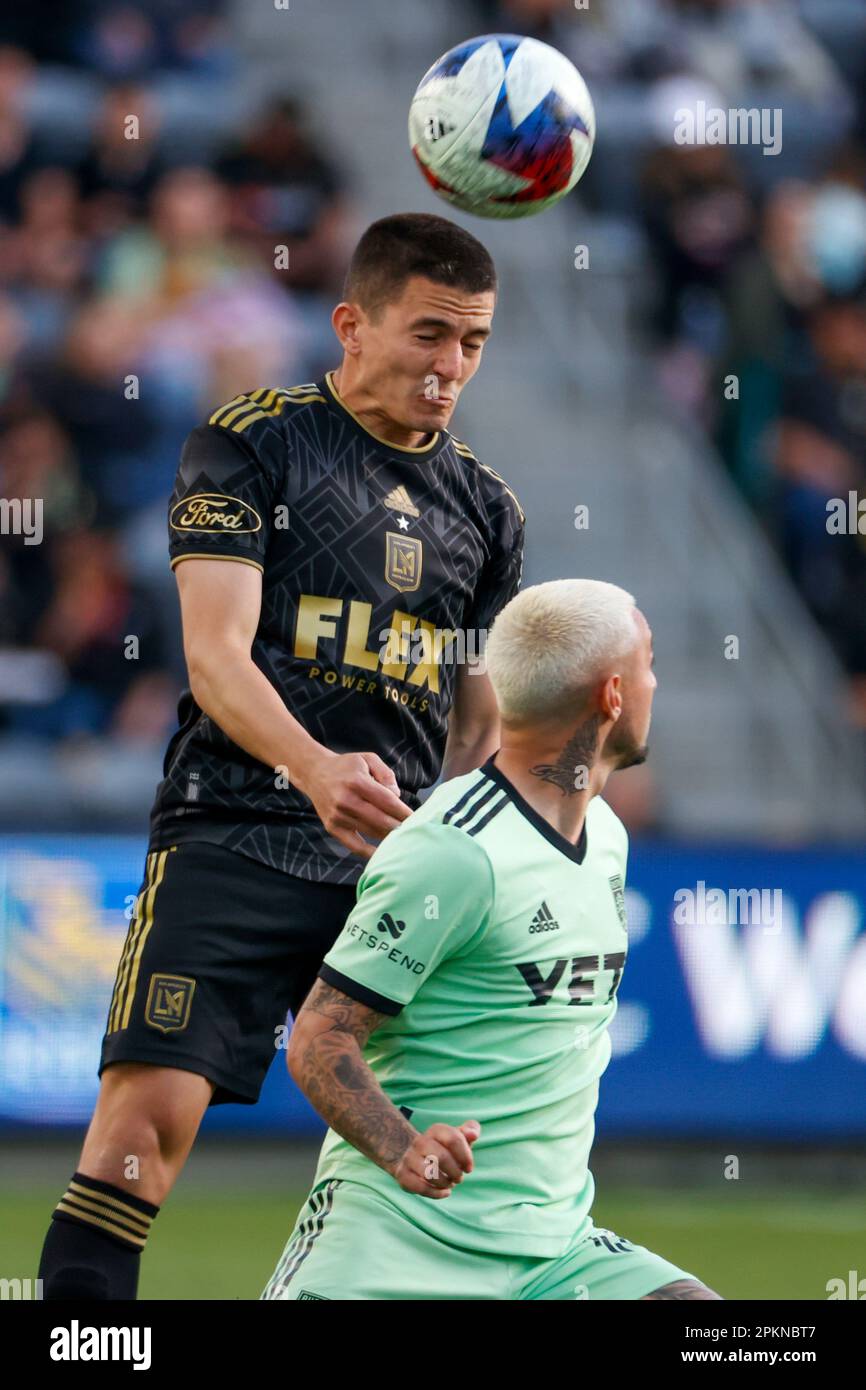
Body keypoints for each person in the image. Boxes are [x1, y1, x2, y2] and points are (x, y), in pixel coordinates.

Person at [37, 211, 525, 1300]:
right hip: (237, 835)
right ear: (351, 324)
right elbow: (213, 657)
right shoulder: (250, 441)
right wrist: (312, 766)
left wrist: (444, 827)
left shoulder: (487, 510)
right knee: (136, 1143)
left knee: (461, 1170)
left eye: (473, 343)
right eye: (428, 334)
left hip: (389, 875)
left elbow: (475, 713)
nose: (450, 367)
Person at [263, 579, 722, 1301]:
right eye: (649, 663)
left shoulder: (606, 836)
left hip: (557, 1254)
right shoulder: (454, 853)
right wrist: (403, 1149)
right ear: (611, 694)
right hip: (397, 1246)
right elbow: (317, 1038)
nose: (655, 682)